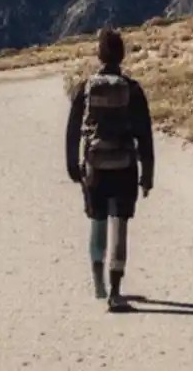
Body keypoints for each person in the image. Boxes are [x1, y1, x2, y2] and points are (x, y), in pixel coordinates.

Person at [65, 27, 155, 312]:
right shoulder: (132, 89)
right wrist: (147, 174)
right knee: (120, 224)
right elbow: (145, 134)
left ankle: (98, 284)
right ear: (122, 55)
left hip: (95, 166)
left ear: (99, 54)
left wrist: (72, 165)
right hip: (126, 166)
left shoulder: (87, 87)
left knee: (98, 221)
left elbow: (72, 130)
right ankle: (116, 291)